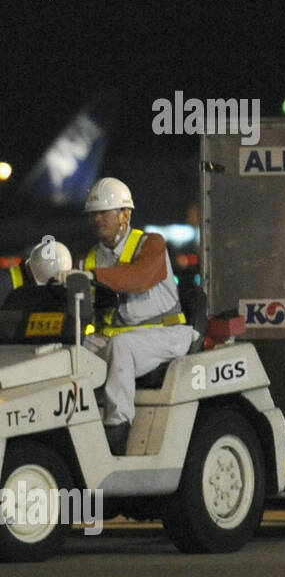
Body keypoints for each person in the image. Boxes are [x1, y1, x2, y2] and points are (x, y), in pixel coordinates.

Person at [78, 178, 197, 456]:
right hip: (120, 337)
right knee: (73, 351)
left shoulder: (151, 243)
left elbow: (140, 278)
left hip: (165, 335)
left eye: (104, 212)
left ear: (125, 215)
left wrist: (94, 278)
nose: (97, 219)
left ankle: (117, 430)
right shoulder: (92, 257)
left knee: (123, 347)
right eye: (93, 214)